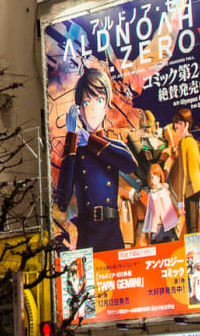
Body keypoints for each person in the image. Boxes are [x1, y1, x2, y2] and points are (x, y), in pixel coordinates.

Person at [55, 66, 138, 253]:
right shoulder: (76, 151)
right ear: (78, 108)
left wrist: (91, 140)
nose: (92, 109)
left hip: (111, 227)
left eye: (99, 100)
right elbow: (62, 197)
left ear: (107, 104)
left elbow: (130, 164)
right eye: (86, 103)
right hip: (87, 231)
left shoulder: (111, 145)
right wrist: (70, 137)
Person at [166, 107, 200, 234]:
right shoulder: (194, 142)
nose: (177, 129)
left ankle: (193, 253)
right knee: (194, 226)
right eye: (176, 126)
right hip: (199, 188)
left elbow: (183, 172)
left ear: (186, 125)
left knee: (191, 227)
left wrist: (180, 201)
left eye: (179, 125)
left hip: (190, 190)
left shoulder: (183, 143)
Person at [141, 164, 180, 244]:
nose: (154, 179)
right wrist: (145, 230)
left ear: (160, 177)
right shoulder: (151, 194)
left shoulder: (164, 191)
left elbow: (169, 208)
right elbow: (149, 213)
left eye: (157, 177)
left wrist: (174, 224)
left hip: (166, 226)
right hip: (155, 227)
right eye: (152, 177)